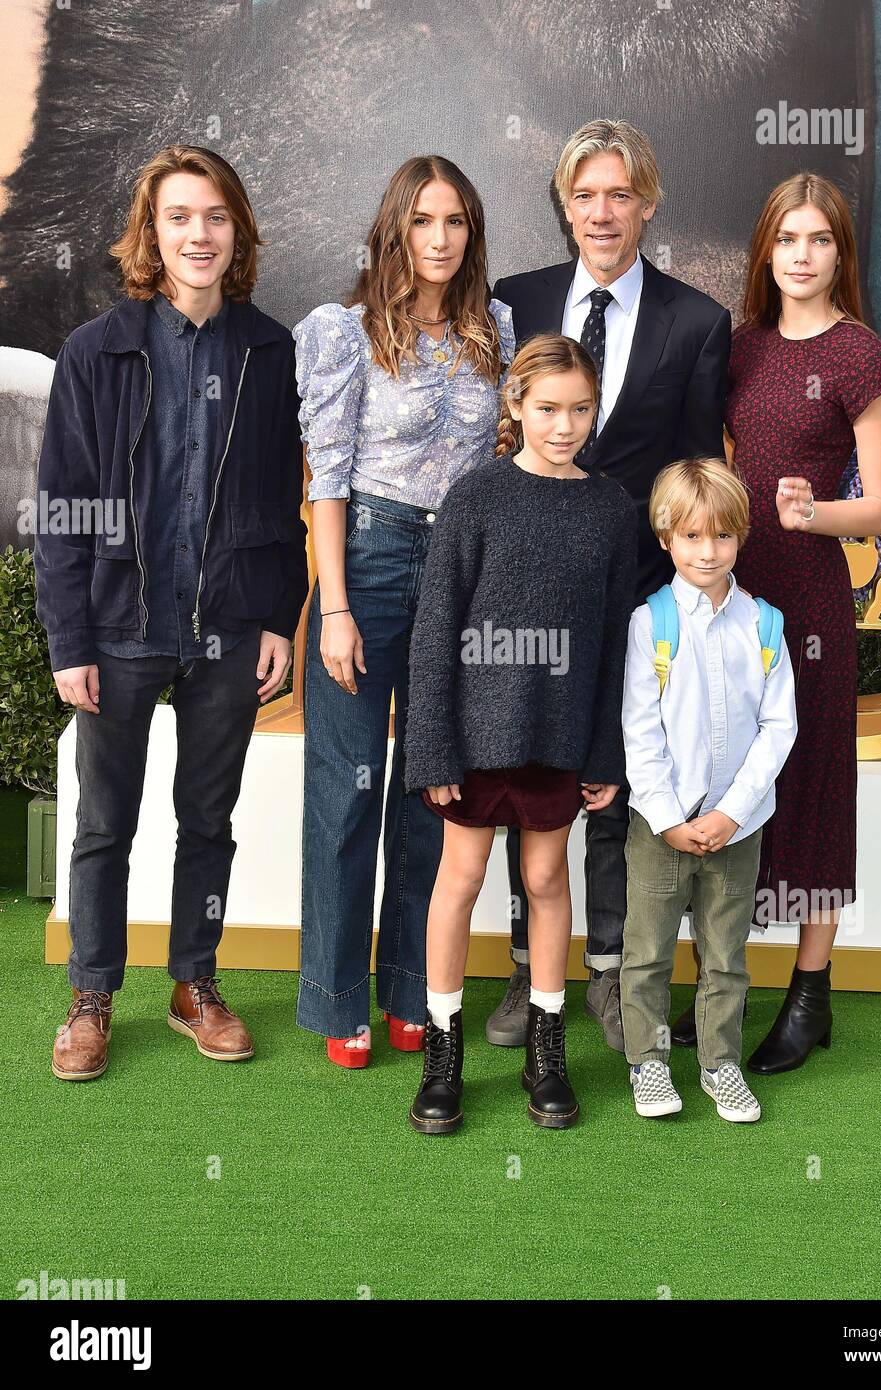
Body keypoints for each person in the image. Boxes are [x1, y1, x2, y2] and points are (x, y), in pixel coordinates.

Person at [35, 146, 309, 1080]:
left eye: (216, 216)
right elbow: (65, 505)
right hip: (118, 629)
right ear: (152, 235)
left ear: (239, 232)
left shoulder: (270, 352)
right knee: (105, 823)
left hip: (230, 629)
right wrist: (70, 638)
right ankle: (91, 996)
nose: (199, 234)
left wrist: (280, 615)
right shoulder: (96, 352)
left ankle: (196, 982)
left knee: (210, 818)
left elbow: (284, 500)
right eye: (180, 217)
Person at [488, 119, 730, 1051]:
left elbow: (699, 466)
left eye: (619, 194)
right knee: (531, 776)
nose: (601, 212)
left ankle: (608, 972)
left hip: (635, 598)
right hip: (529, 595)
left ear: (648, 203)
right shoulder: (515, 302)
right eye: (584, 194)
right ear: (562, 203)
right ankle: (523, 967)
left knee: (619, 782)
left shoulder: (696, 323)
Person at [670, 172, 881, 1072]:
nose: (801, 255)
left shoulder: (858, 356)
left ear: (840, 252)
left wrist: (816, 515)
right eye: (786, 239)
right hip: (728, 590)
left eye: (819, 239)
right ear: (765, 250)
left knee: (806, 781)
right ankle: (717, 981)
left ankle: (810, 993)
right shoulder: (742, 346)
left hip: (806, 598)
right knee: (717, 767)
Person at [293, 157, 515, 1068]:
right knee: (345, 794)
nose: (439, 238)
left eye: (455, 221)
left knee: (434, 791)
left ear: (471, 233)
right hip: (369, 562)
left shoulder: (492, 329)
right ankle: (337, 996)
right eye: (423, 220)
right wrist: (335, 606)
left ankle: (411, 990)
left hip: (457, 571)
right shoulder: (341, 333)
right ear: (394, 227)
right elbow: (327, 481)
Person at [403, 333, 637, 1132]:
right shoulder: (475, 497)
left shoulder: (610, 508)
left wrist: (605, 752)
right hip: (472, 738)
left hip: (562, 737)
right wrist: (431, 747)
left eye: (579, 409)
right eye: (546, 409)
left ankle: (547, 1049)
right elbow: (435, 629)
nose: (564, 425)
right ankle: (443, 1053)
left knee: (544, 882)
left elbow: (614, 643)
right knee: (460, 881)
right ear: (514, 406)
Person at [620, 459, 797, 1121]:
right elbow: (639, 730)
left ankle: (719, 1066)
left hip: (737, 827)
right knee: (646, 954)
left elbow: (778, 728)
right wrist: (668, 818)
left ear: (740, 538)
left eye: (720, 537)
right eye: (691, 537)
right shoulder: (650, 625)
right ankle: (648, 1064)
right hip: (659, 828)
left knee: (725, 956)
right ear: (666, 538)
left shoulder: (764, 626)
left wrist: (730, 812)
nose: (706, 551)